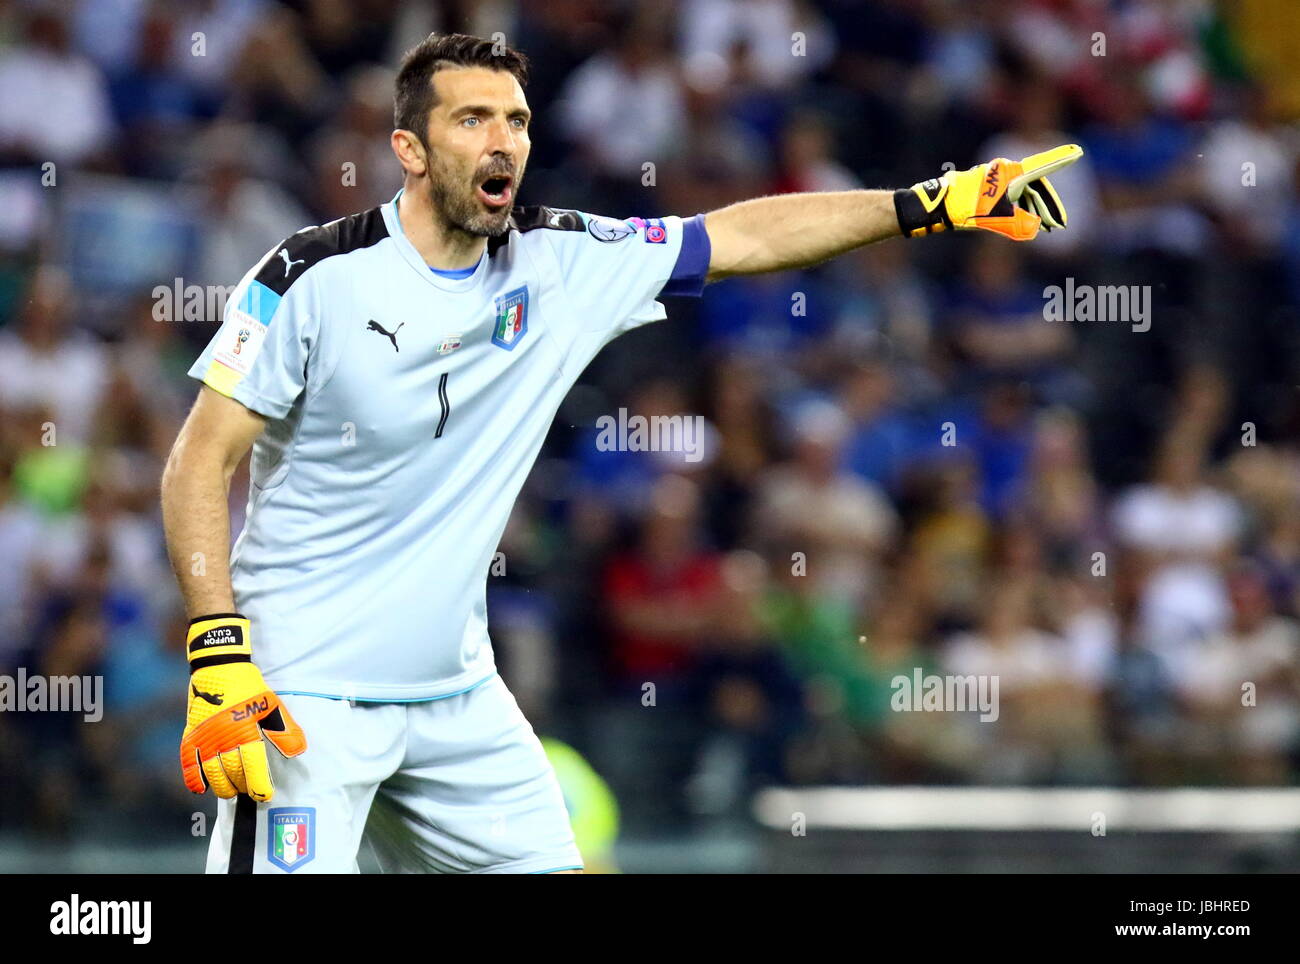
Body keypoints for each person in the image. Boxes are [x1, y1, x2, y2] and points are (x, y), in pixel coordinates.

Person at [159, 32, 1082, 874]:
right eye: (472, 118)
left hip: (453, 695)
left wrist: (932, 203)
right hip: (303, 695)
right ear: (410, 148)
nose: (503, 141)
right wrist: (217, 651)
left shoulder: (562, 261)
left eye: (516, 120)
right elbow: (198, 464)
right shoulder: (307, 277)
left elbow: (742, 235)